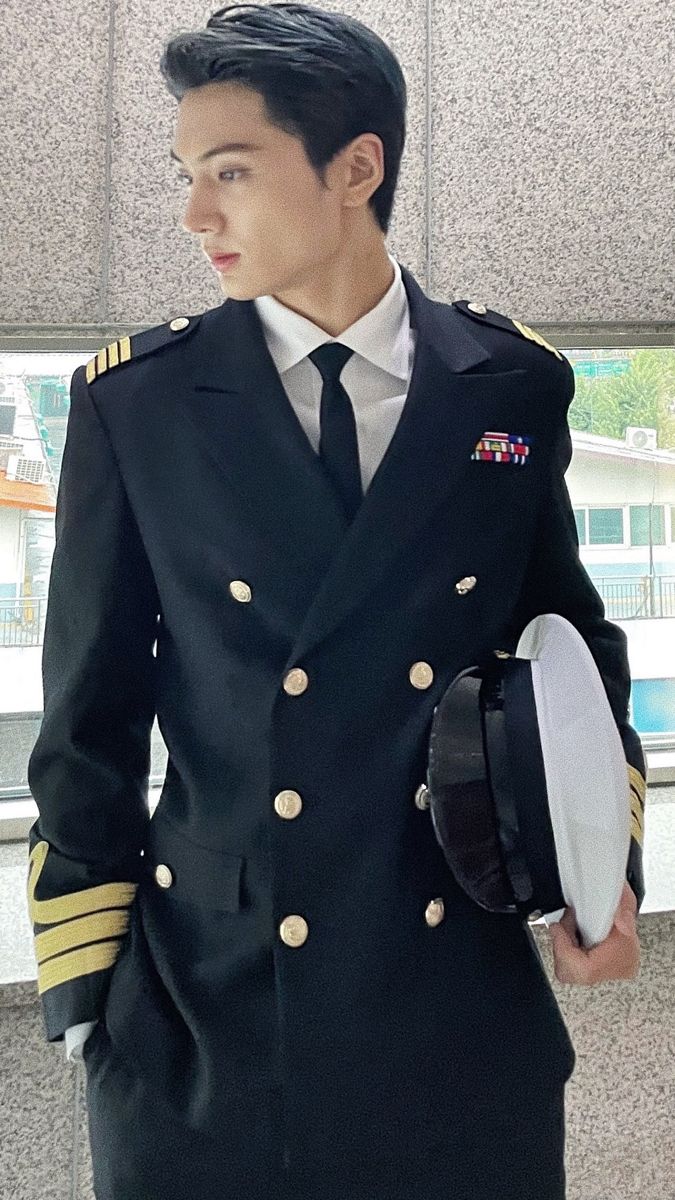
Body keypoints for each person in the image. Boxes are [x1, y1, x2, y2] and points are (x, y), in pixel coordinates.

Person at [26, 4, 644, 1198]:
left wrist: (599, 872)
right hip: (205, 1014)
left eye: (231, 172)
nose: (194, 215)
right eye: (186, 175)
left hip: (456, 1004)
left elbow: (570, 648)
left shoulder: (509, 384)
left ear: (356, 168)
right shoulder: (137, 403)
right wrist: (89, 1006)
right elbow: (86, 722)